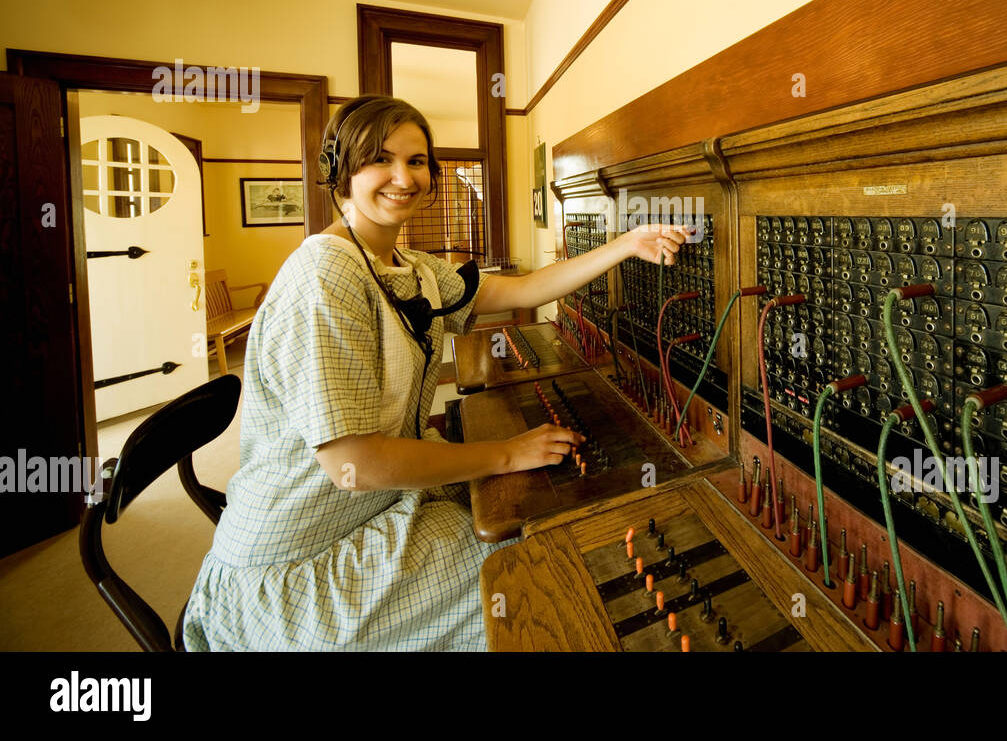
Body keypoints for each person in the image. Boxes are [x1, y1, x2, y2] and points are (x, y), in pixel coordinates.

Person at [183, 94, 687, 650]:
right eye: (382, 158)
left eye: (417, 160)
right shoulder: (323, 276)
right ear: (341, 169)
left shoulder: (413, 266)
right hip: (298, 562)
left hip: (376, 512)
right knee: (529, 571)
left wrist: (626, 244)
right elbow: (357, 463)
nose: (404, 176)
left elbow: (520, 289)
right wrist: (507, 452)